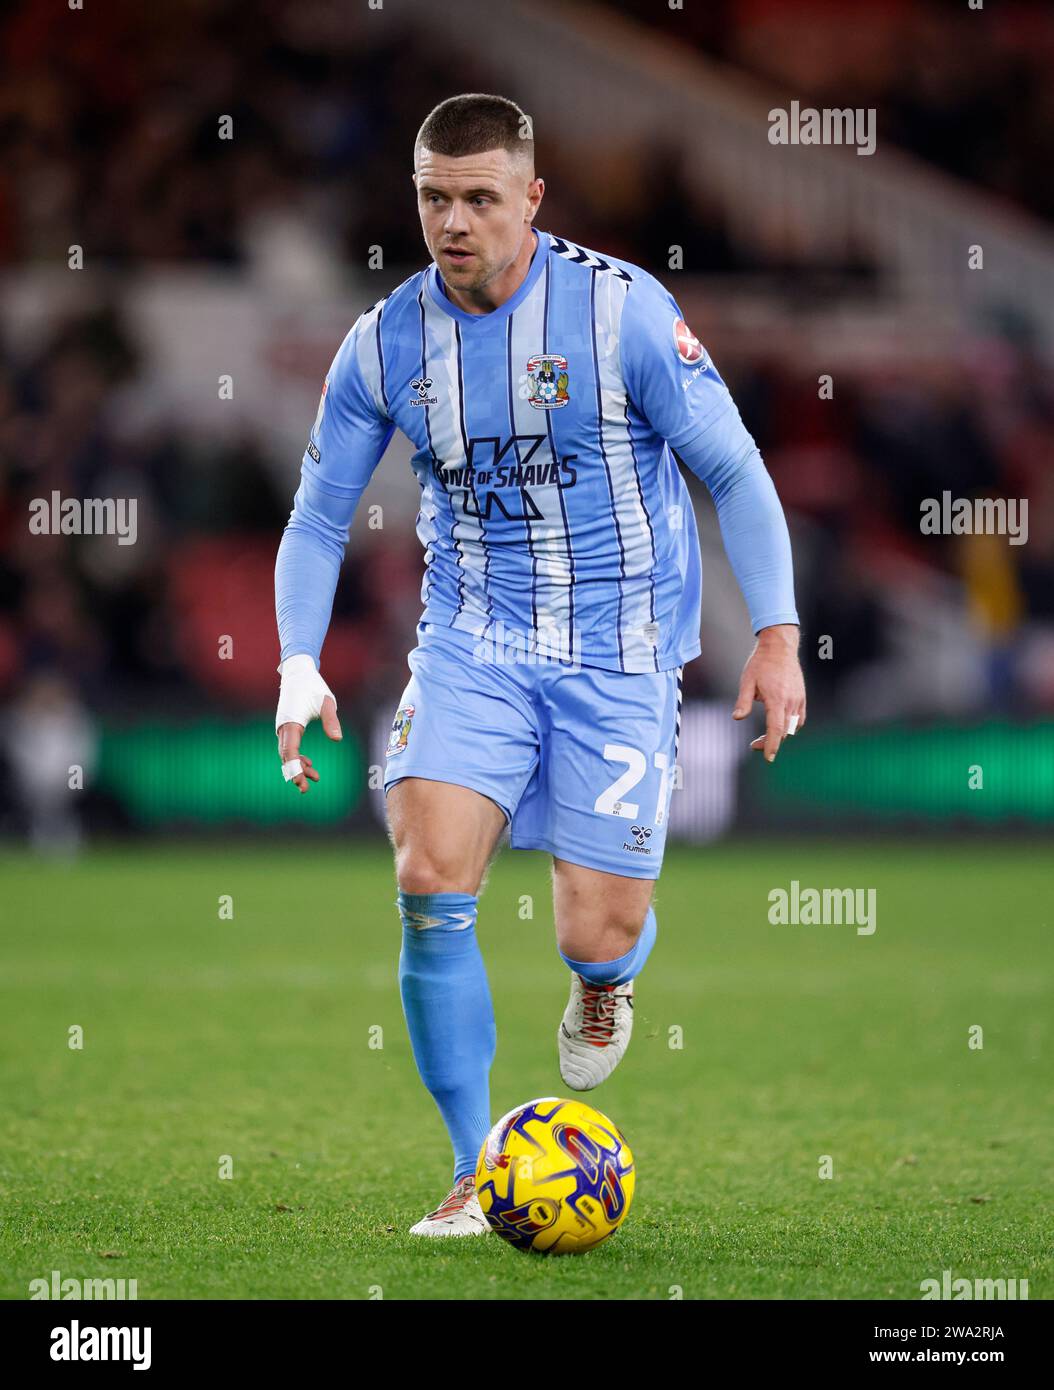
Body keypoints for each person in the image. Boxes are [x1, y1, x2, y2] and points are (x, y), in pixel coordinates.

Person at [274, 93, 805, 1236]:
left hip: (619, 653)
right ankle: (476, 1165)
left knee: (594, 925)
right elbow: (319, 518)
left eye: (478, 197)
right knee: (428, 880)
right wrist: (295, 661)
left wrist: (773, 632)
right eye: (432, 198)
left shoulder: (620, 314)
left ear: (531, 198)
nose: (452, 222)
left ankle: (603, 985)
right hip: (472, 644)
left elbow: (736, 471)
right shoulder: (385, 343)